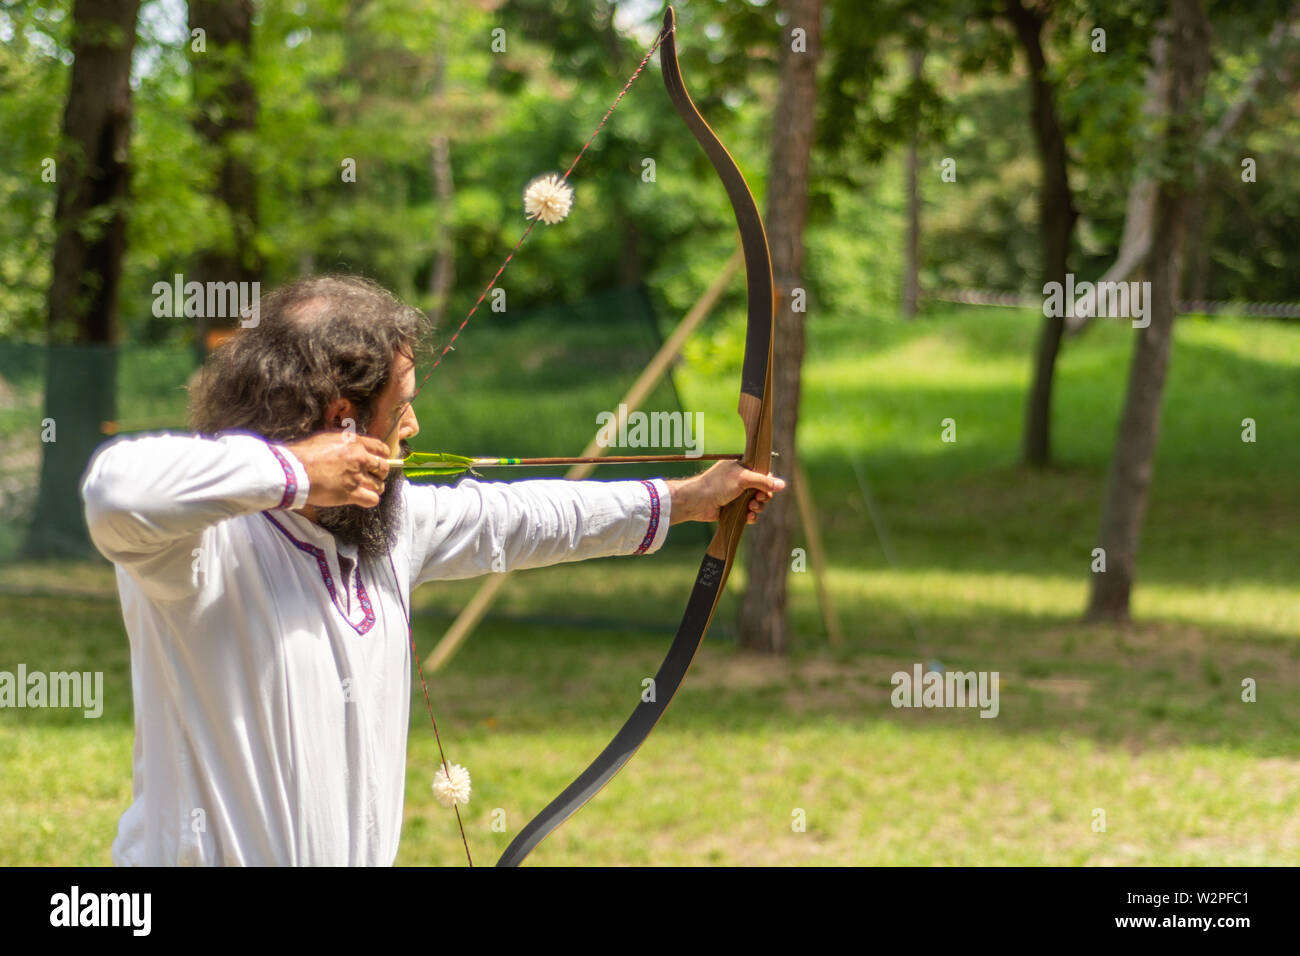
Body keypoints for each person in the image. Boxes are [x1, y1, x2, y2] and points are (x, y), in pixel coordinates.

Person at [81, 275, 784, 865]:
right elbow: (115, 491)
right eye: (402, 404)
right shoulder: (202, 549)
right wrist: (295, 470)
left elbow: (524, 517)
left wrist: (688, 500)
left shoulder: (389, 528)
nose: (413, 426)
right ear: (342, 419)